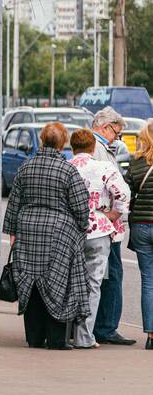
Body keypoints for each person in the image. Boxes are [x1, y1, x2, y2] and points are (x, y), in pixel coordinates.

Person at [2, 122, 90, 349]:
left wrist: (12, 231)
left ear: (41, 140)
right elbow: (81, 208)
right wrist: (80, 229)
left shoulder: (26, 166)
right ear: (63, 143)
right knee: (58, 284)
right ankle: (56, 339)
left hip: (28, 231)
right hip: (59, 234)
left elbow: (14, 201)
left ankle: (34, 337)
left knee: (30, 282)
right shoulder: (68, 171)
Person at [67, 127, 130, 348]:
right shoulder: (103, 167)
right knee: (93, 284)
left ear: (72, 147)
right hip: (98, 231)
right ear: (93, 147)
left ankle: (67, 333)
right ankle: (85, 336)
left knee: (70, 283)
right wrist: (114, 214)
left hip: (71, 231)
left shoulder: (66, 167)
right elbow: (123, 193)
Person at [91, 106, 136, 345]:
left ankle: (100, 326)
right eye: (116, 133)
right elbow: (113, 188)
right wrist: (115, 213)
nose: (117, 139)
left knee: (103, 275)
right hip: (106, 226)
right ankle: (106, 327)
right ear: (105, 127)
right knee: (112, 275)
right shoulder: (99, 150)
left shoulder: (97, 147)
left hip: (98, 225)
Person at [124, 120, 153, 349]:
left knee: (148, 281)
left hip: (141, 227)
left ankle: (151, 336)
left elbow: (125, 193)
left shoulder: (135, 164)